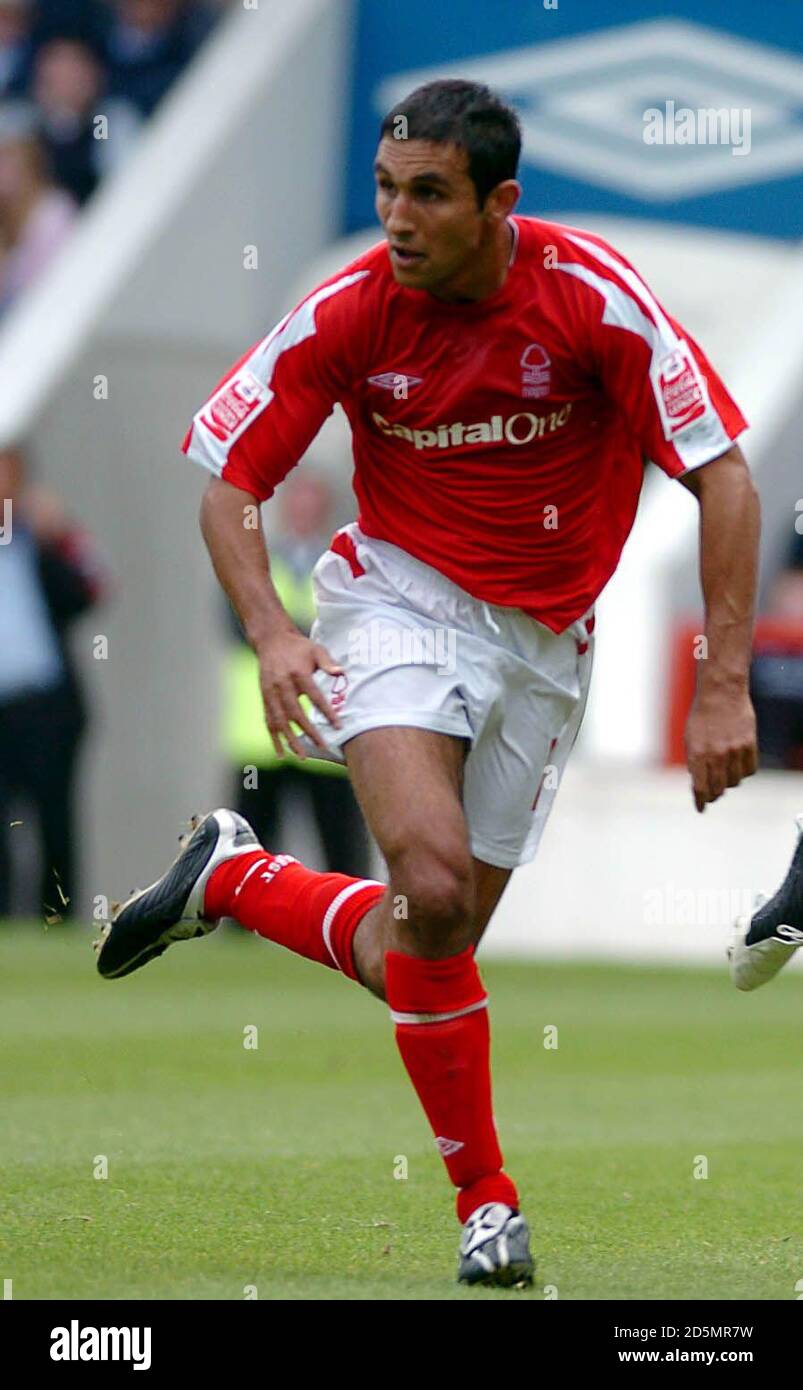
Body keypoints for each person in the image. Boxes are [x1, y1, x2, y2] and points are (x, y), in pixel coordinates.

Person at [97, 79, 798, 1287]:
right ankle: (487, 1203)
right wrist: (271, 630)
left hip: (545, 645)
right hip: (397, 603)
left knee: (431, 940)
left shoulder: (591, 301)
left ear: (498, 204)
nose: (398, 219)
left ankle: (239, 876)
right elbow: (227, 483)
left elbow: (722, 478)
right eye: (384, 191)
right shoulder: (351, 309)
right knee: (421, 877)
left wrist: (721, 681)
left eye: (427, 194)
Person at [223, 472, 373, 880]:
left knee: (343, 854)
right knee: (247, 852)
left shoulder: (341, 567)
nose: (304, 510)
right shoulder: (258, 565)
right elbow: (236, 624)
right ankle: (238, 935)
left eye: (313, 501)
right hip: (261, 733)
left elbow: (355, 635)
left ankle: (350, 934)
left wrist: (283, 632)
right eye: (299, 500)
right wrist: (306, 635)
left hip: (325, 729)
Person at [0, 445, 107, 919]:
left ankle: (56, 916)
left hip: (45, 706)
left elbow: (94, 587)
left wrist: (62, 533)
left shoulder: (43, 539)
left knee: (53, 818)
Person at [32, 37, 141, 205]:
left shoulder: (103, 119)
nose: (67, 84)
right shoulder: (28, 122)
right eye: (59, 76)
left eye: (75, 74)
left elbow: (118, 173)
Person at [0, 102, 77, 313]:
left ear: (30, 159)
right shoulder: (5, 217)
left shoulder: (55, 213)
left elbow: (56, 289)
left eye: (8, 157)